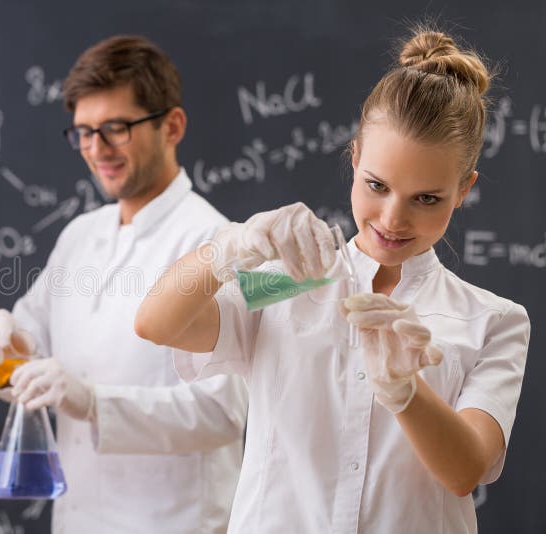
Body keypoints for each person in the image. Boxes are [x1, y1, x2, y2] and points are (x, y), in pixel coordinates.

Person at [135, 27, 530, 533]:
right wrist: (228, 249)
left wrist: (406, 391)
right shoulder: (287, 282)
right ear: (355, 156)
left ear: (464, 190)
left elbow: (465, 471)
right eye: (377, 185)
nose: (393, 218)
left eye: (426, 198)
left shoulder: (493, 321)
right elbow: (155, 323)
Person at [0, 36, 247, 533]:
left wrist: (94, 403)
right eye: (83, 132)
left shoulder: (215, 243)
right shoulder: (81, 236)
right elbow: (27, 348)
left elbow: (223, 411)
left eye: (115, 129)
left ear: (172, 126)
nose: (97, 149)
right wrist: (2, 344)